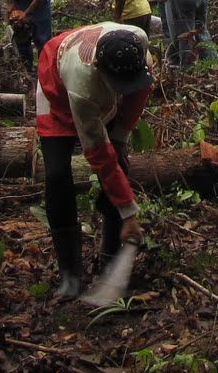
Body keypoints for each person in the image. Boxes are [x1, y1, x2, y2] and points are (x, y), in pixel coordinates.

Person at [35, 22, 154, 297]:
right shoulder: (82, 86)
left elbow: (139, 91)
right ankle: (70, 274)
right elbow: (99, 153)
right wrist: (129, 213)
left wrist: (122, 135)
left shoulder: (138, 45)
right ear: (102, 70)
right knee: (56, 175)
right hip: (56, 87)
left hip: (98, 85)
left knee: (119, 165)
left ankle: (109, 260)